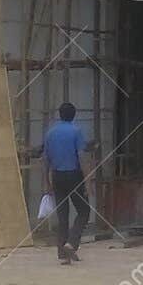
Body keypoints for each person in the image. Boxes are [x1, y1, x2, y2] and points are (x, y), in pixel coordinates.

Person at [41, 102, 91, 265]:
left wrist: (46, 182)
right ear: (74, 115)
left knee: (62, 215)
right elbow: (82, 158)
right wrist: (87, 181)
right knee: (84, 211)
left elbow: (46, 160)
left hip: (57, 176)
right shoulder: (76, 131)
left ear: (59, 114)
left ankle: (63, 254)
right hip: (74, 175)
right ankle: (71, 243)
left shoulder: (51, 133)